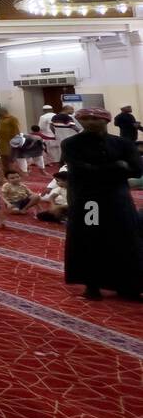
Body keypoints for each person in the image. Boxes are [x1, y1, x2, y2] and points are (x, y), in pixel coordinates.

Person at [59, 108, 143, 301]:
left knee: (125, 238)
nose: (91, 122)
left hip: (117, 199)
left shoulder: (122, 143)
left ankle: (128, 286)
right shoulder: (71, 144)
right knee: (91, 237)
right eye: (86, 118)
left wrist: (101, 169)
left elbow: (137, 170)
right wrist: (118, 166)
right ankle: (92, 285)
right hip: (89, 201)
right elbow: (82, 170)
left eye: (95, 118)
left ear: (106, 121)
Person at [0, 106, 21, 175]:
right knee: (2, 156)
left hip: (10, 141)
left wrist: (17, 140)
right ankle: (5, 170)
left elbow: (17, 130)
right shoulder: (0, 120)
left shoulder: (12, 119)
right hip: (2, 142)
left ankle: (12, 172)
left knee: (10, 157)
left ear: (3, 112)